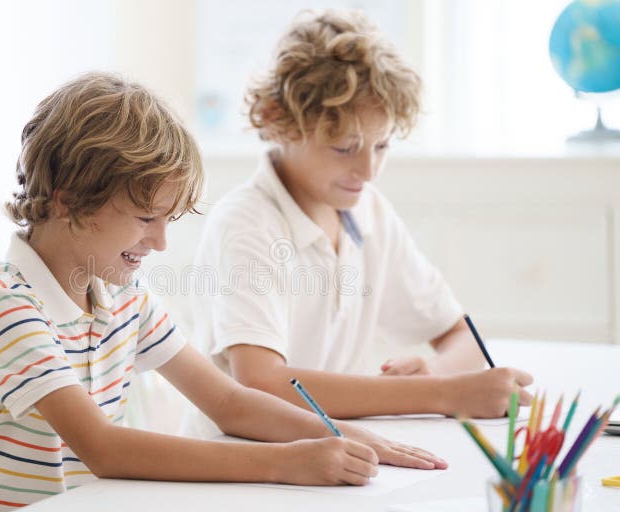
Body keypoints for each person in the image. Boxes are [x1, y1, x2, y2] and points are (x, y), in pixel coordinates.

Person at [0, 72, 446, 512]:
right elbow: (104, 448)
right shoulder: (8, 307)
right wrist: (284, 463)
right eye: (147, 218)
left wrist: (344, 437)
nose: (161, 242)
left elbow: (228, 402)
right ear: (69, 201)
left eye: (168, 220)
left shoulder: (123, 295)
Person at [190, 10, 533, 424]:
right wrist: (439, 394)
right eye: (344, 148)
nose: (369, 171)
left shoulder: (369, 211)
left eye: (382, 146)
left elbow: (462, 336)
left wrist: (436, 373)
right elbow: (261, 383)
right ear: (277, 120)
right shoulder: (247, 223)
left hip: (330, 450)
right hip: (239, 455)